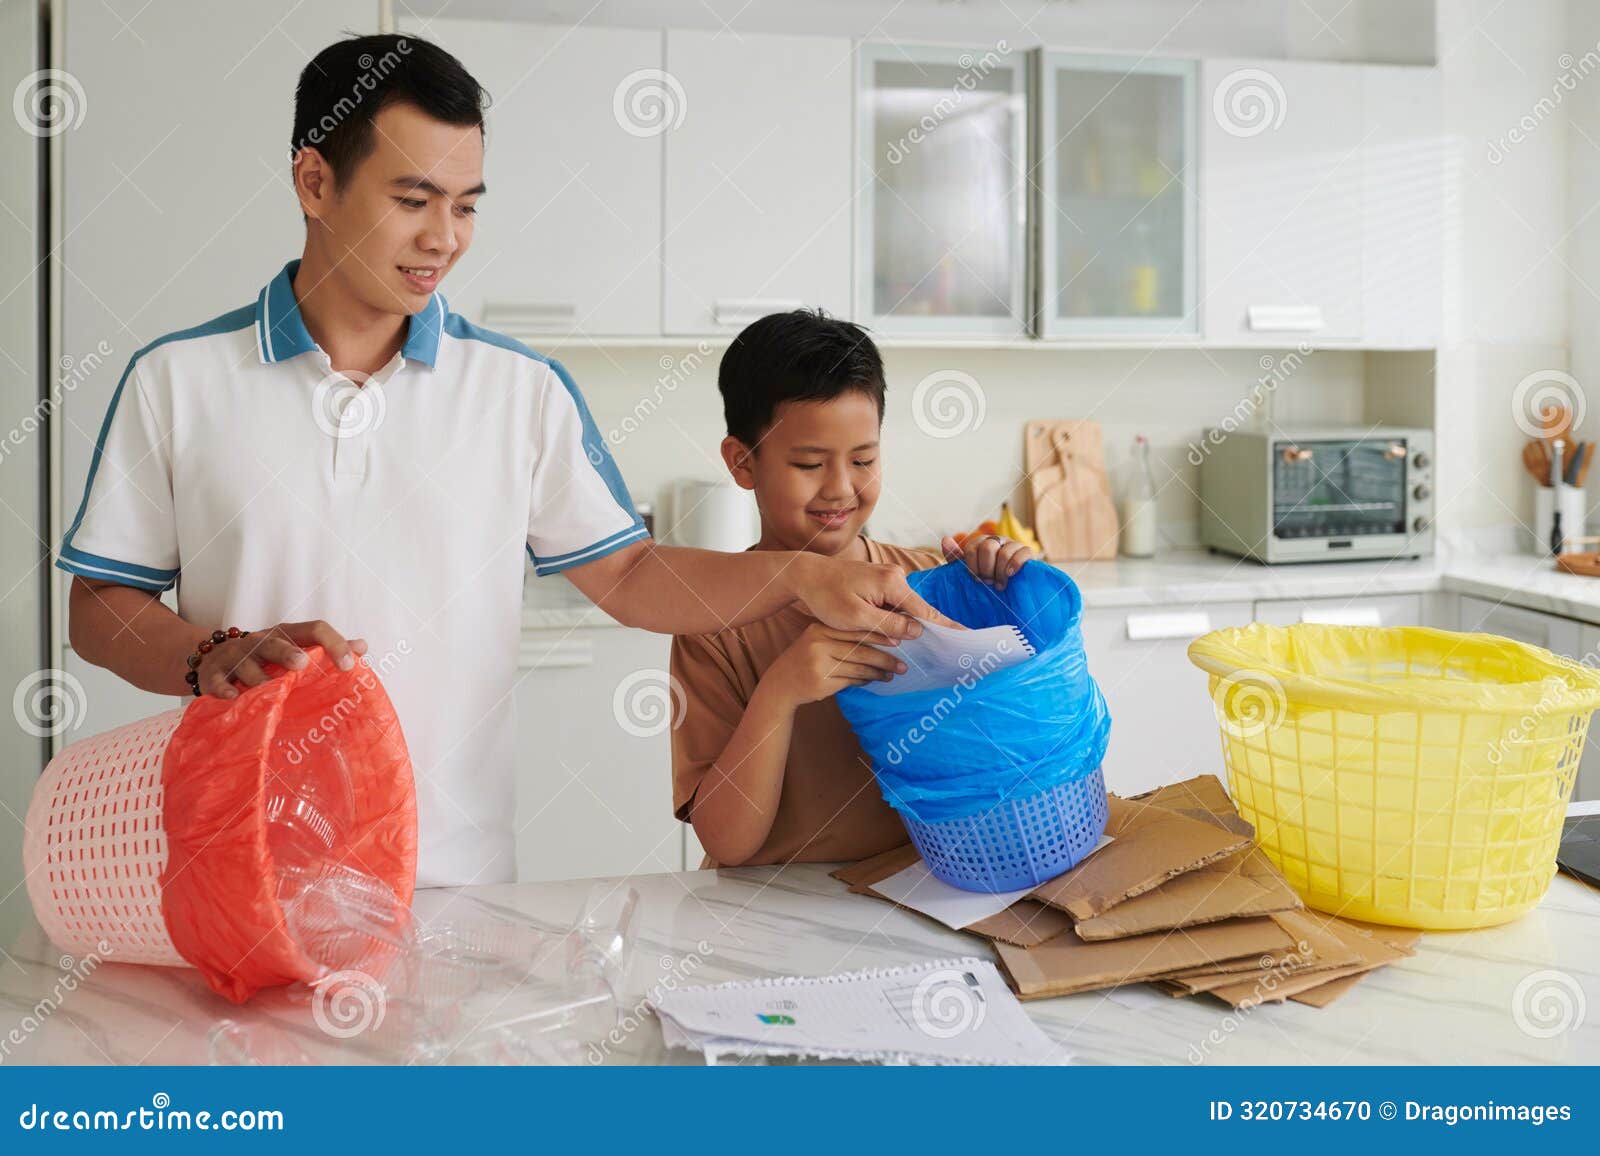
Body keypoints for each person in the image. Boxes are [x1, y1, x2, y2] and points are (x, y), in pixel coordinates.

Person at [58, 35, 945, 888]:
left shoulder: (520, 391)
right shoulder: (177, 382)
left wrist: (802, 577)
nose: (445, 238)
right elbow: (100, 608)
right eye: (414, 200)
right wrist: (211, 653)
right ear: (314, 181)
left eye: (467, 205)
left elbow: (631, 576)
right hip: (239, 872)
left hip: (453, 883)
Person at [670, 310, 1034, 867]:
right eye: (809, 464)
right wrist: (780, 691)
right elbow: (726, 844)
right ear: (742, 463)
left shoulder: (924, 581)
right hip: (775, 903)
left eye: (863, 459)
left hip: (922, 889)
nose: (841, 488)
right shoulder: (713, 623)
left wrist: (1002, 595)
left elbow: (1011, 741)